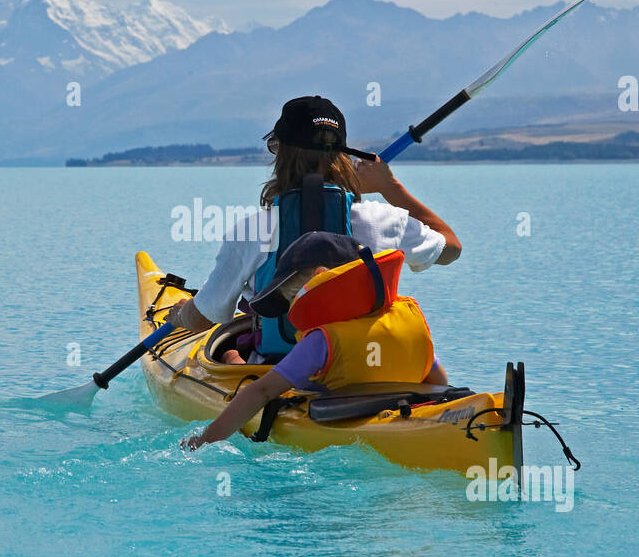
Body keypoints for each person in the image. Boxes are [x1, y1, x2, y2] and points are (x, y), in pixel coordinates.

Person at [166, 96, 460, 362]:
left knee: (231, 350)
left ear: (280, 153)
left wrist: (180, 315)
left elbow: (205, 317)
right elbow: (451, 249)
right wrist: (390, 187)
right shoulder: (383, 219)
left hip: (278, 371)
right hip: (365, 365)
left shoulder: (252, 230)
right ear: (342, 156)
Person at [182, 232, 446, 450]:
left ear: (320, 276)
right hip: (412, 421)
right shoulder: (406, 318)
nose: (293, 307)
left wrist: (203, 441)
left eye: (293, 296)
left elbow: (261, 392)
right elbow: (438, 382)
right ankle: (232, 357)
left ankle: (232, 357)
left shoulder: (322, 341)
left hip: (348, 433)